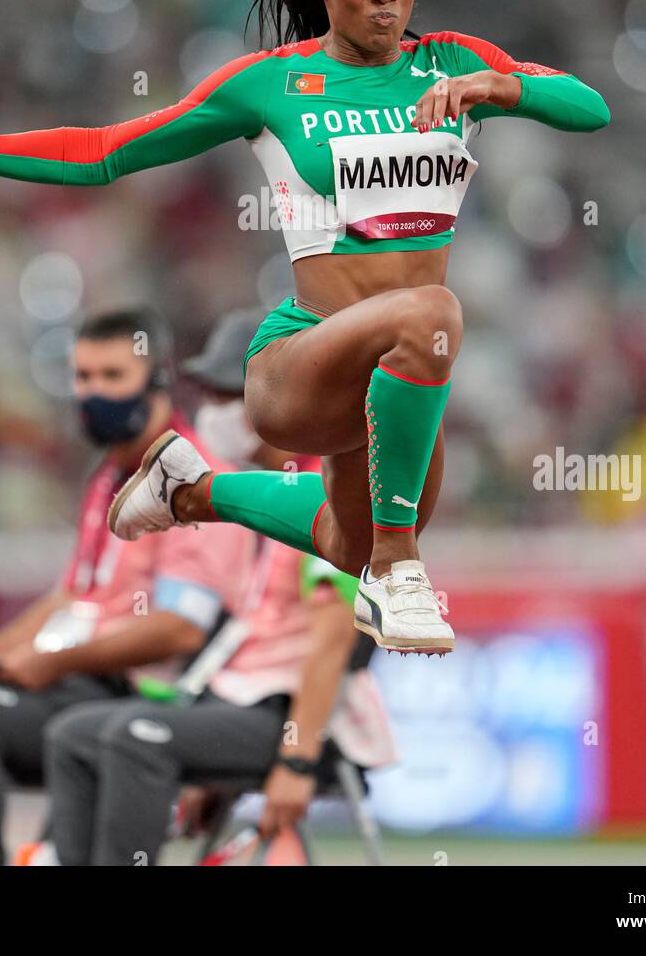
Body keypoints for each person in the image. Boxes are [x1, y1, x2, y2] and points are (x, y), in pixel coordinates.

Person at [0, 0, 610, 655]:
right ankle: (400, 575)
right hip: (304, 361)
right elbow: (102, 155)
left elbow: (589, 106)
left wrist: (500, 85)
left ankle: (193, 488)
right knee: (434, 316)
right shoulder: (270, 84)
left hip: (396, 377)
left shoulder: (454, 61)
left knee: (346, 538)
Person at [0, 309, 254, 865]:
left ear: (157, 379)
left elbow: (180, 630)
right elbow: (70, 598)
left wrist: (54, 663)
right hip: (67, 678)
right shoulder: (107, 476)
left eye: (112, 376)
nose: (93, 392)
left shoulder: (194, 478)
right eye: (83, 377)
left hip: (128, 693)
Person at [42, 308, 394, 866]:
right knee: (74, 735)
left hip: (295, 719)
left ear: (287, 399)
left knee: (136, 733)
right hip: (245, 705)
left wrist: (296, 761)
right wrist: (205, 738)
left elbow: (333, 639)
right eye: (209, 393)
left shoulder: (328, 494)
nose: (214, 411)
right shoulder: (267, 495)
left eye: (231, 394)